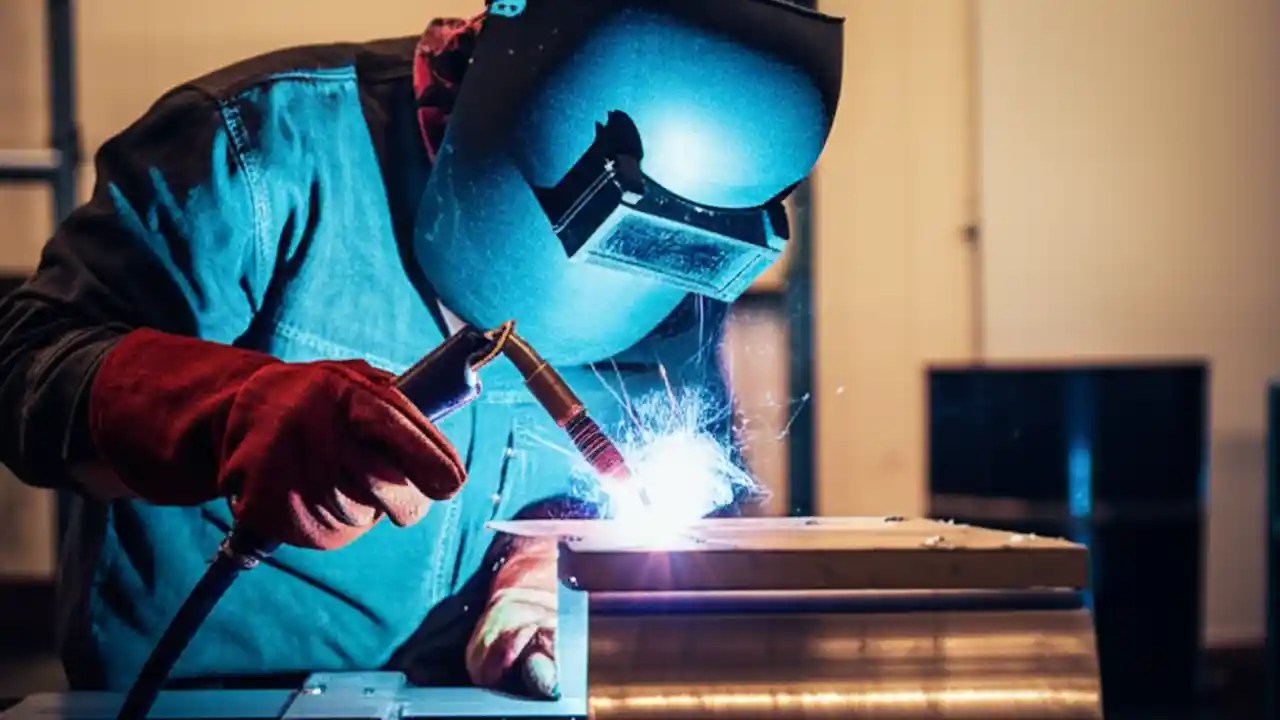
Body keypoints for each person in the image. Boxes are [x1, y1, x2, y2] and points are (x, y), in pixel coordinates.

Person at [0, 0, 840, 699]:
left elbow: (680, 489)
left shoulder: (689, 248)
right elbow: (27, 365)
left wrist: (548, 561)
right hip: (201, 700)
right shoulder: (257, 154)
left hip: (472, 705)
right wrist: (224, 412)